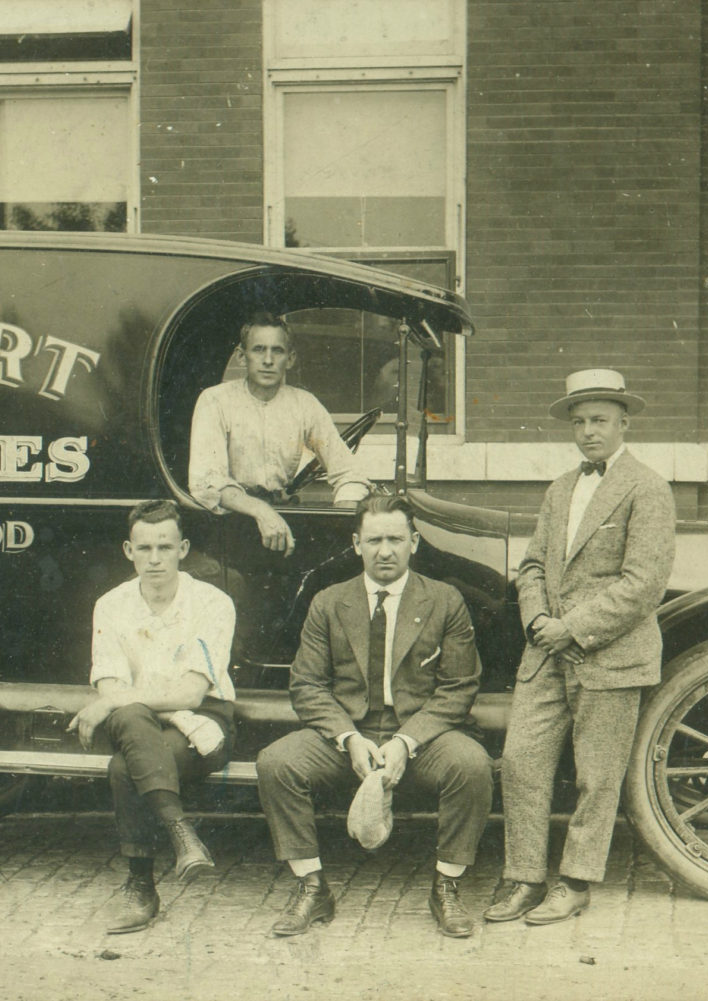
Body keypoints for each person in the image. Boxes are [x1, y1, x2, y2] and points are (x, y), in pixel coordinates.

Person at [484, 369, 676, 926]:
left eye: (599, 420)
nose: (589, 431)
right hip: (547, 652)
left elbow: (644, 584)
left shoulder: (647, 488)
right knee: (520, 762)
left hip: (609, 655)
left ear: (623, 423)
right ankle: (524, 878)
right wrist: (539, 621)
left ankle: (575, 882)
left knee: (597, 776)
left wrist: (573, 628)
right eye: (579, 422)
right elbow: (532, 565)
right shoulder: (561, 488)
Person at [255, 493, 492, 938]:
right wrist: (347, 738)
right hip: (348, 734)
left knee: (471, 765)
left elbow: (459, 686)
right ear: (356, 544)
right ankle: (312, 886)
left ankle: (447, 885)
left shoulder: (444, 600)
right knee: (277, 763)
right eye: (374, 540)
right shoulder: (329, 602)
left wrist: (406, 741)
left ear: (414, 542)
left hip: (420, 736)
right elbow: (306, 685)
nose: (385, 551)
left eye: (396, 540)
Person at [67, 499, 237, 935]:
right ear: (129, 551)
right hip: (135, 721)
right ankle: (181, 834)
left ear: (184, 549)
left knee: (125, 768)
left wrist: (110, 704)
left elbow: (191, 693)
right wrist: (115, 702)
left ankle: (141, 885)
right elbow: (110, 686)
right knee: (131, 720)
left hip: (199, 722)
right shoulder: (111, 605)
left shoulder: (212, 602)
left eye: (165, 547)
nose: (155, 559)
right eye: (144, 548)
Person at [189, 311, 371, 556]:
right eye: (258, 350)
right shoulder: (215, 401)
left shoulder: (304, 404)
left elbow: (348, 471)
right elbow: (207, 481)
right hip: (229, 526)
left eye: (277, 351)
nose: (268, 360)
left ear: (290, 358)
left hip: (284, 521)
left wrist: (341, 519)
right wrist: (261, 511)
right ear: (242, 356)